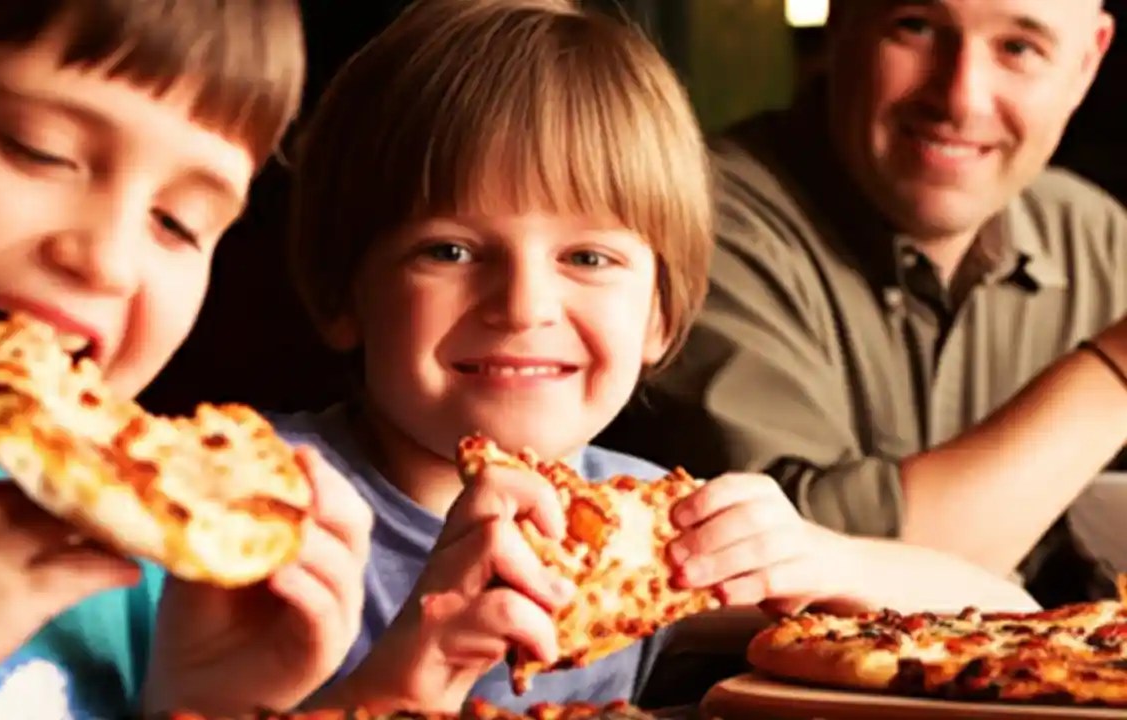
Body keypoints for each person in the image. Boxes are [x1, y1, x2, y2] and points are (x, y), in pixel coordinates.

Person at [275, 0, 1038, 713]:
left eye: (589, 258)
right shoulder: (266, 511)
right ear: (341, 293)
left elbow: (1019, 620)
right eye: (450, 250)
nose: (524, 306)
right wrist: (411, 669)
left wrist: (824, 559)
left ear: (661, 317)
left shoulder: (643, 535)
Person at [0, 1, 371, 718]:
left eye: (178, 223)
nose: (109, 261)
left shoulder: (148, 574)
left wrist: (195, 700)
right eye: (40, 149)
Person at [603, 0, 1127, 602]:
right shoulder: (696, 220)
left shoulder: (1095, 238)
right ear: (839, 20)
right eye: (917, 27)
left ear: (1087, 63)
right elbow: (800, 569)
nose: (960, 98)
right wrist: (1115, 369)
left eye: (1018, 49)